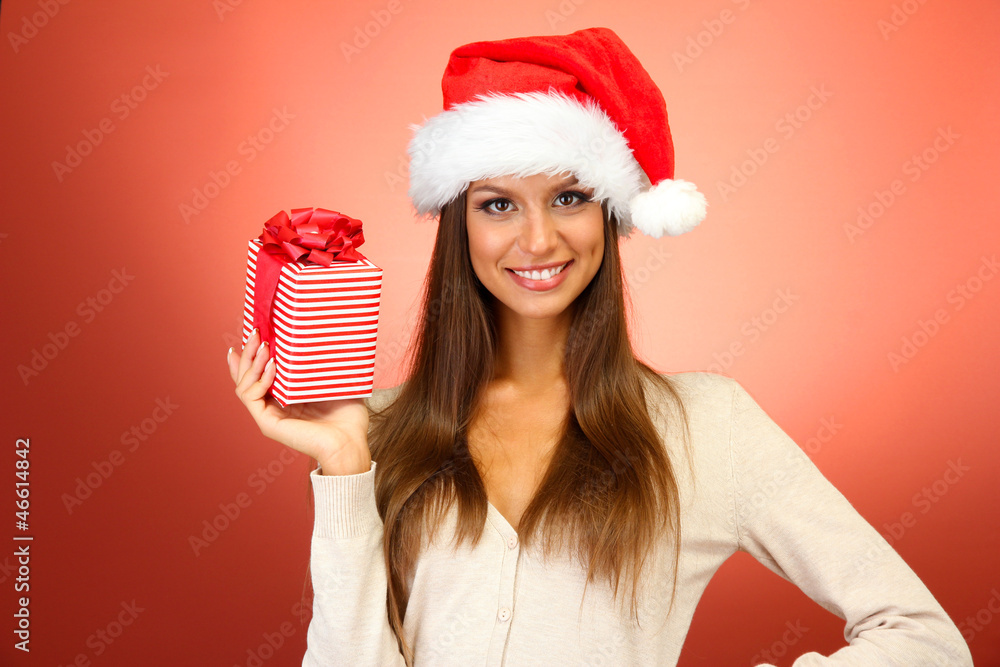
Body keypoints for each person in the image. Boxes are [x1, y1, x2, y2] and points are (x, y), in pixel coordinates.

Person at [227, 27, 973, 667]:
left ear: (609, 212)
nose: (539, 238)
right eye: (498, 204)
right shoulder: (379, 431)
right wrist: (345, 465)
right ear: (461, 225)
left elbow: (924, 640)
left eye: (570, 196)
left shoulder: (706, 426)